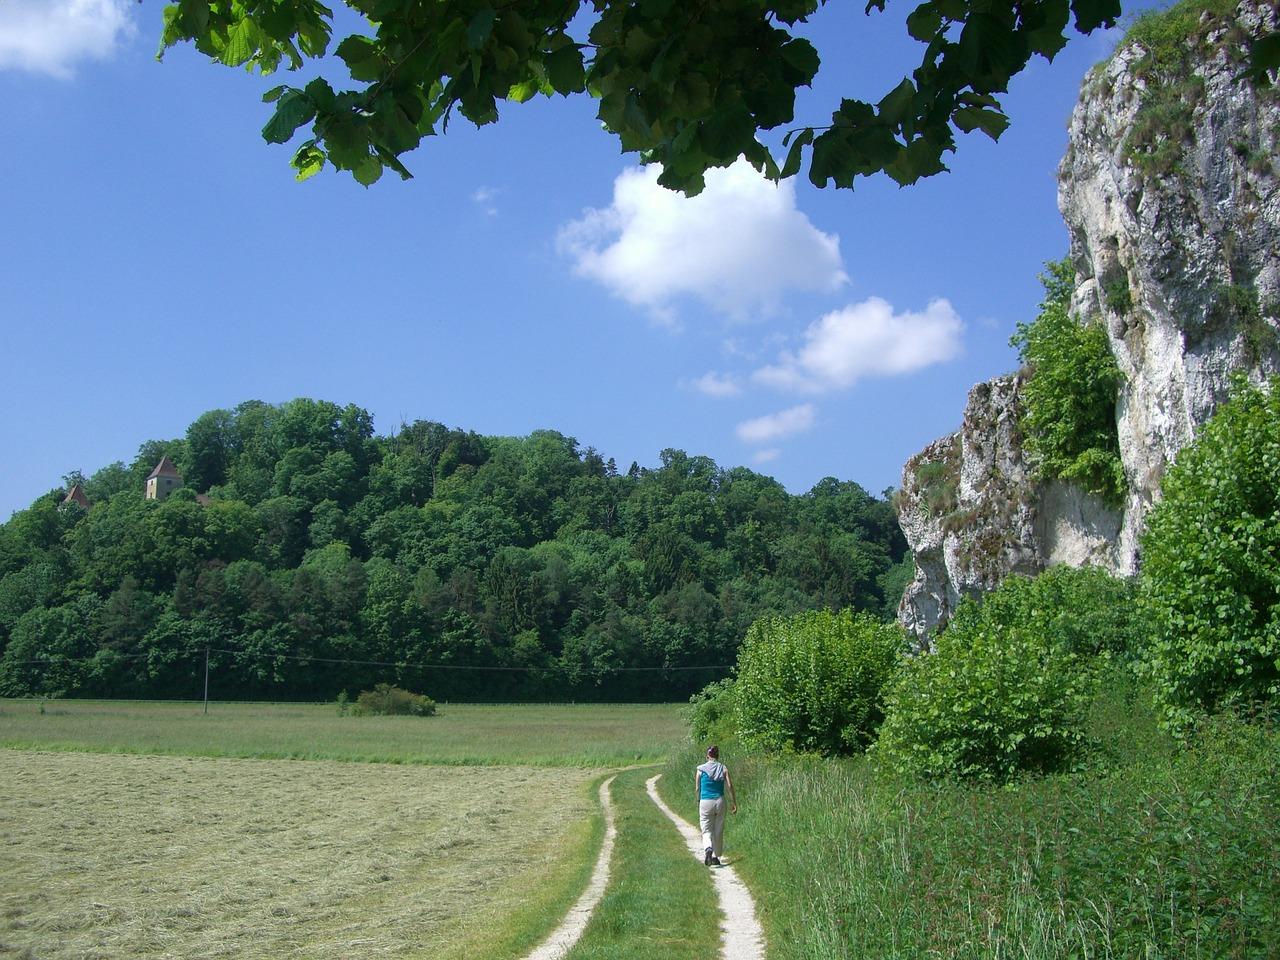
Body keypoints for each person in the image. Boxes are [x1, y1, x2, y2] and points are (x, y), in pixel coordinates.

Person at [694, 744, 737, 866]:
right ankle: (716, 856)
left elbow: (697, 788)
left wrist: (698, 800)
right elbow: (729, 786)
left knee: (706, 829)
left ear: (707, 756)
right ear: (717, 756)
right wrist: (734, 801)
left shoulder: (700, 769)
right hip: (720, 801)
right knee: (718, 829)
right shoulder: (723, 768)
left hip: (705, 801)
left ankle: (708, 848)